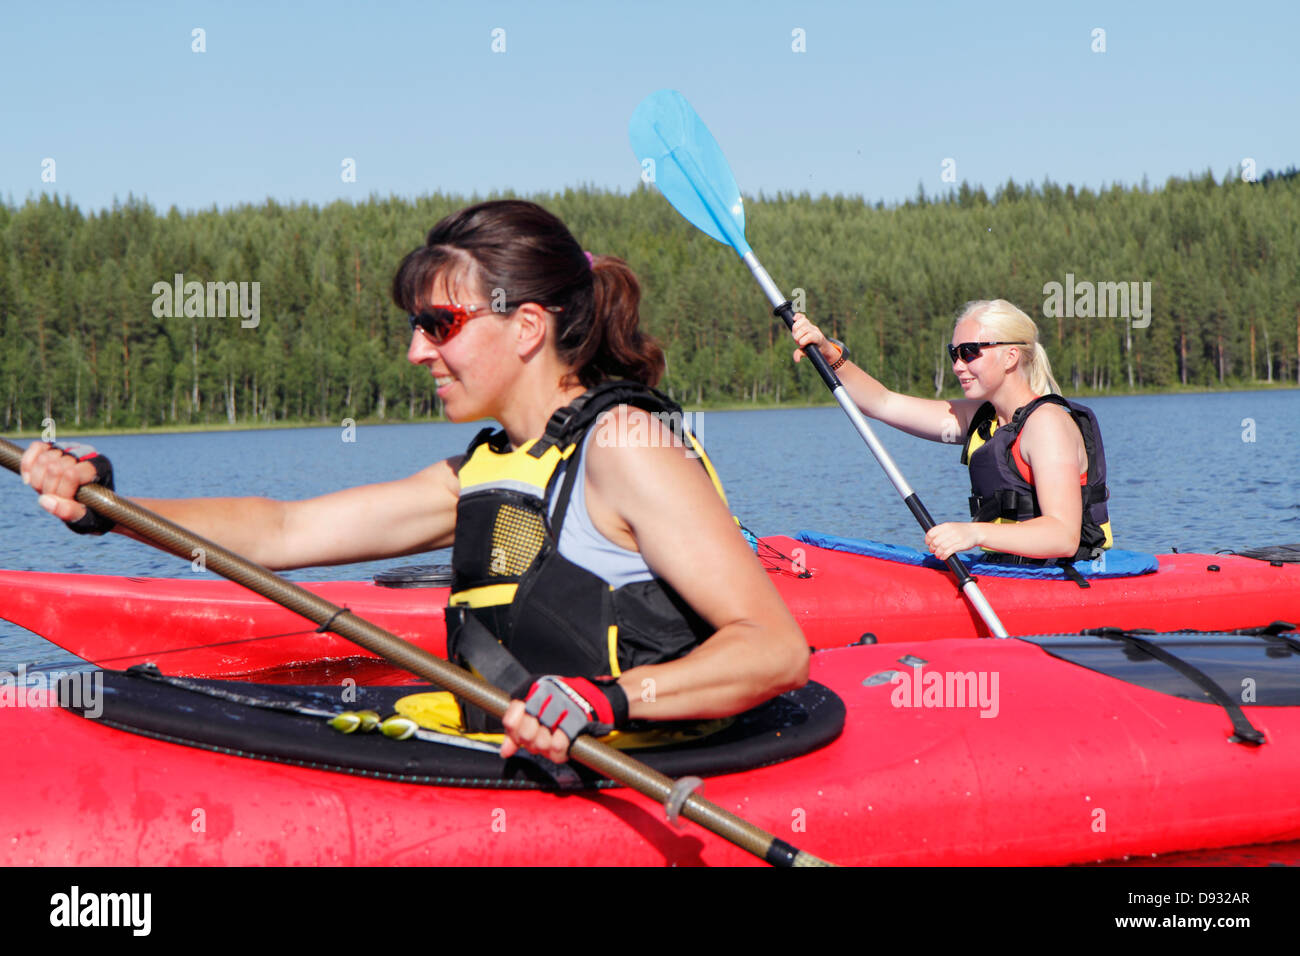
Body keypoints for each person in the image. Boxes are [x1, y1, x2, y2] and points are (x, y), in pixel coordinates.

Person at [21, 199, 809, 763]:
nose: (417, 352)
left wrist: (608, 699)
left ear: (527, 326)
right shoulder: (488, 468)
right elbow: (284, 532)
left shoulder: (627, 447)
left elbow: (774, 650)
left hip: (643, 753)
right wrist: (108, 506)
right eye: (415, 328)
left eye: (440, 325)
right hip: (512, 747)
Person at [790, 299, 1110, 564]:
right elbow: (884, 403)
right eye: (954, 353)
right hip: (1006, 570)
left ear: (1011, 356)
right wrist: (831, 356)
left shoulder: (1047, 423)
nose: (958, 365)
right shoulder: (980, 419)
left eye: (970, 352)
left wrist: (973, 533)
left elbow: (1062, 536)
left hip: (1064, 576)